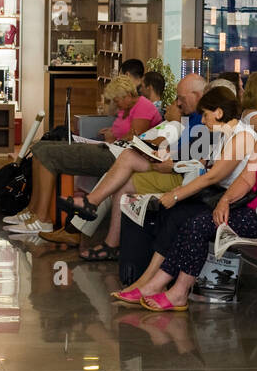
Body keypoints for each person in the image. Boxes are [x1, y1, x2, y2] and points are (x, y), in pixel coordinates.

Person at [114, 109, 257, 312]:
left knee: (198, 225)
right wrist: (224, 200)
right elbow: (247, 177)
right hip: (252, 211)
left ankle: (177, 292)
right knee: (193, 221)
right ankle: (158, 285)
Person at [65, 89, 257, 260]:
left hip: (223, 197)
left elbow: (212, 176)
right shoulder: (225, 134)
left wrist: (175, 194)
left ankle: (148, 275)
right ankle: (98, 217)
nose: (202, 120)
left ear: (219, 112)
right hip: (209, 189)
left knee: (172, 215)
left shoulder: (241, 137)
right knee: (128, 166)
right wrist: (173, 162)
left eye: (206, 115)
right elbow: (205, 165)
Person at [54, 74, 208, 257]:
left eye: (181, 98)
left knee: (122, 165)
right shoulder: (190, 116)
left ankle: (87, 212)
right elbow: (175, 145)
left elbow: (198, 159)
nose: (178, 103)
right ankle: (107, 241)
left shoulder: (203, 120)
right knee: (123, 174)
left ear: (197, 95)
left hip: (180, 172)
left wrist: (172, 134)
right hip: (169, 163)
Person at [7, 74, 159, 235]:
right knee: (39, 148)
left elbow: (134, 138)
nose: (116, 104)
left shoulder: (144, 107)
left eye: (117, 100)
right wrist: (111, 134)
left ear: (128, 95)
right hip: (110, 149)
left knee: (46, 154)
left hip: (116, 155)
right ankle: (33, 210)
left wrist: (112, 137)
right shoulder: (126, 110)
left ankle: (42, 219)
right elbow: (124, 134)